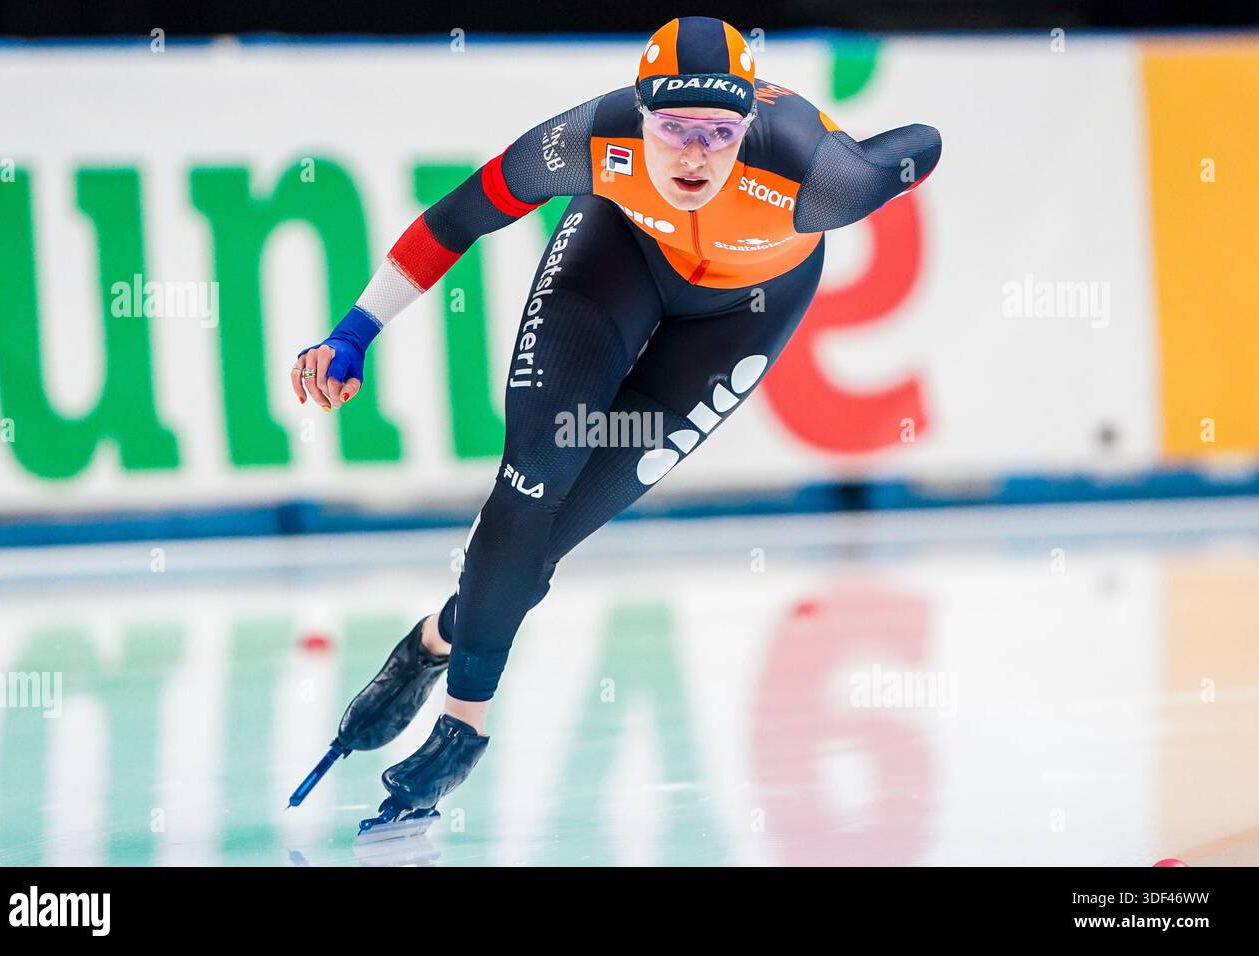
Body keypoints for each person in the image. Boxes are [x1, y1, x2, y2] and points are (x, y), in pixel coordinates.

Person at [289, 15, 941, 832]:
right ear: (639, 116)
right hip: (614, 260)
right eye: (672, 129)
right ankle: (465, 724)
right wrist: (354, 332)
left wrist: (855, 157)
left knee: (548, 536)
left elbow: (923, 141)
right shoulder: (584, 140)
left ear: (747, 124)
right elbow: (456, 220)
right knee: (530, 483)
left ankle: (437, 638)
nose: (695, 154)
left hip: (740, 315)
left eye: (718, 131)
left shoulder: (818, 178)